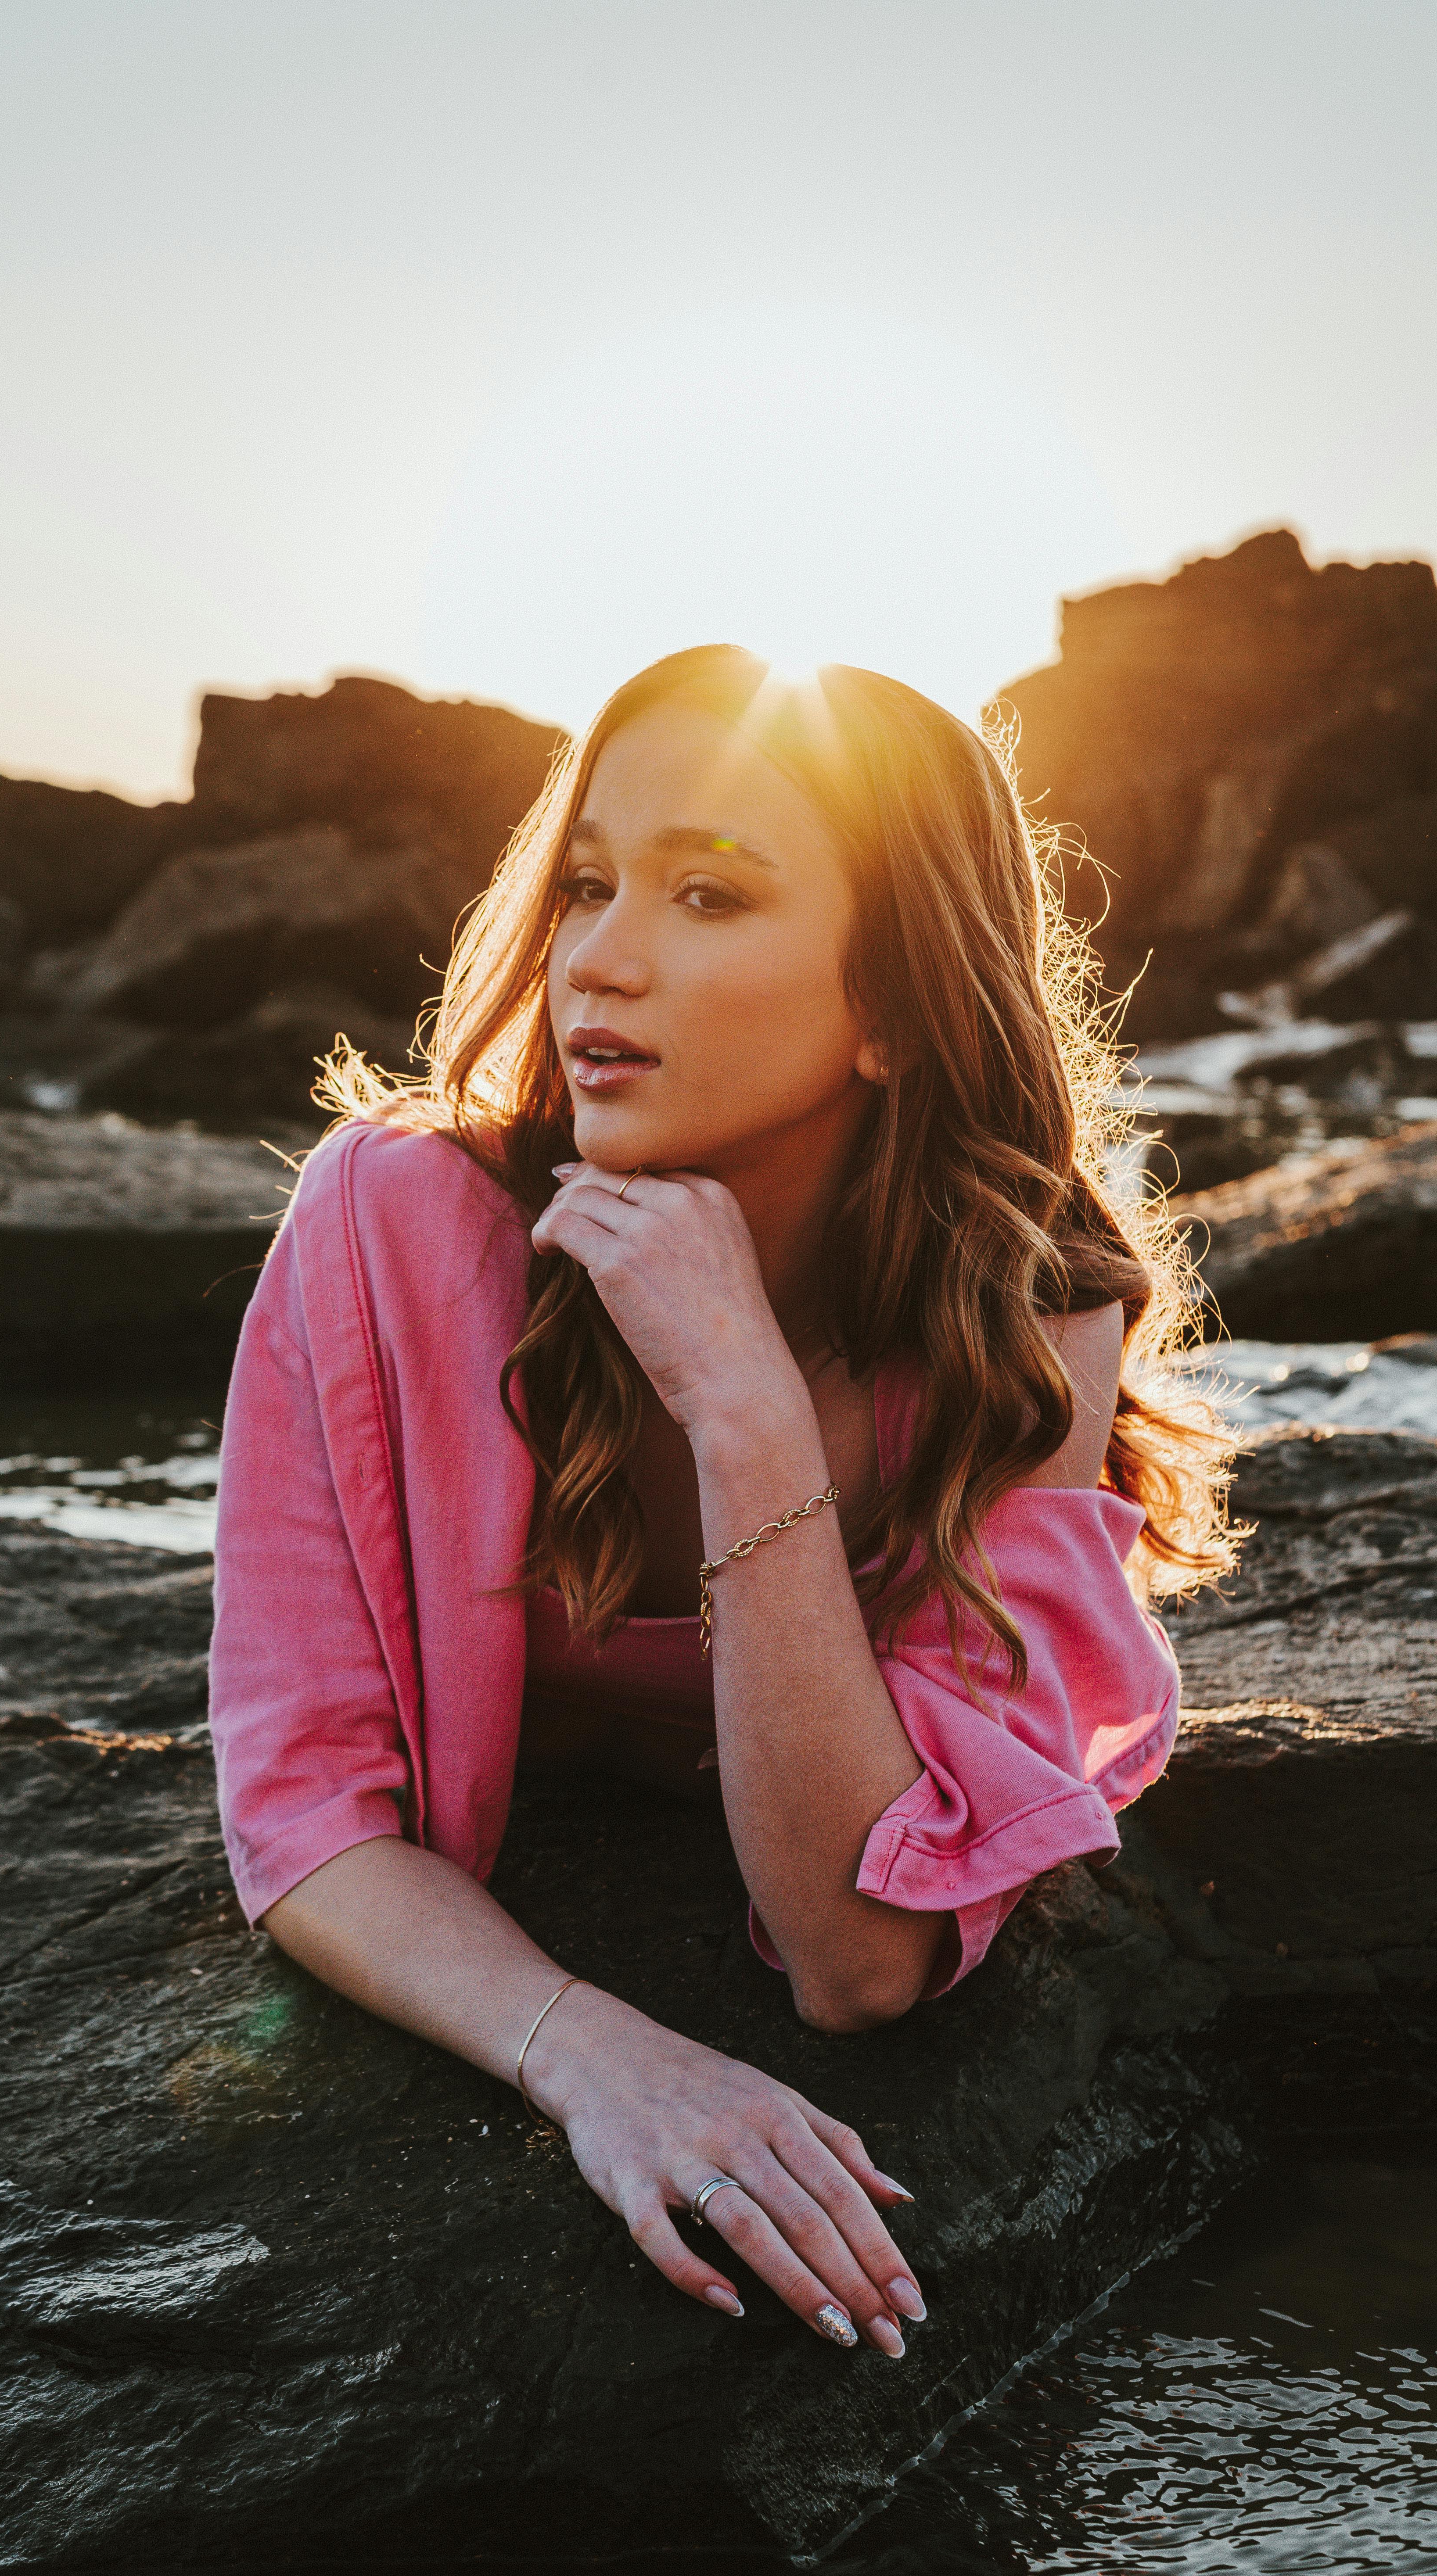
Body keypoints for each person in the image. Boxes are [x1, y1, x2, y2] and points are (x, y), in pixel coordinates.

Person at [209, 646, 1233, 2360]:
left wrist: (741, 1404)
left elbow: (860, 1961)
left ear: (895, 1002)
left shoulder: (1027, 1313)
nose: (598, 954)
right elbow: (304, 1807)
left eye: (707, 893)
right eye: (589, 883)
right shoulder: (391, 1224)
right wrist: (593, 2053)